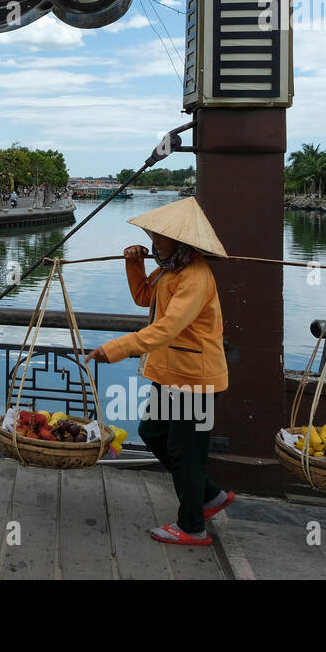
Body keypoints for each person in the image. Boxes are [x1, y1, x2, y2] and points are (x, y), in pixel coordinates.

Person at [84, 197, 234, 547]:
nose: (154, 244)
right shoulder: (170, 270)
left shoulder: (194, 276)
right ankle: (209, 495)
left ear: (181, 242)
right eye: (153, 237)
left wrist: (115, 349)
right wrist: (133, 264)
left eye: (160, 238)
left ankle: (192, 526)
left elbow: (165, 329)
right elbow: (143, 297)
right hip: (170, 374)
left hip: (193, 379)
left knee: (187, 451)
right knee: (152, 431)